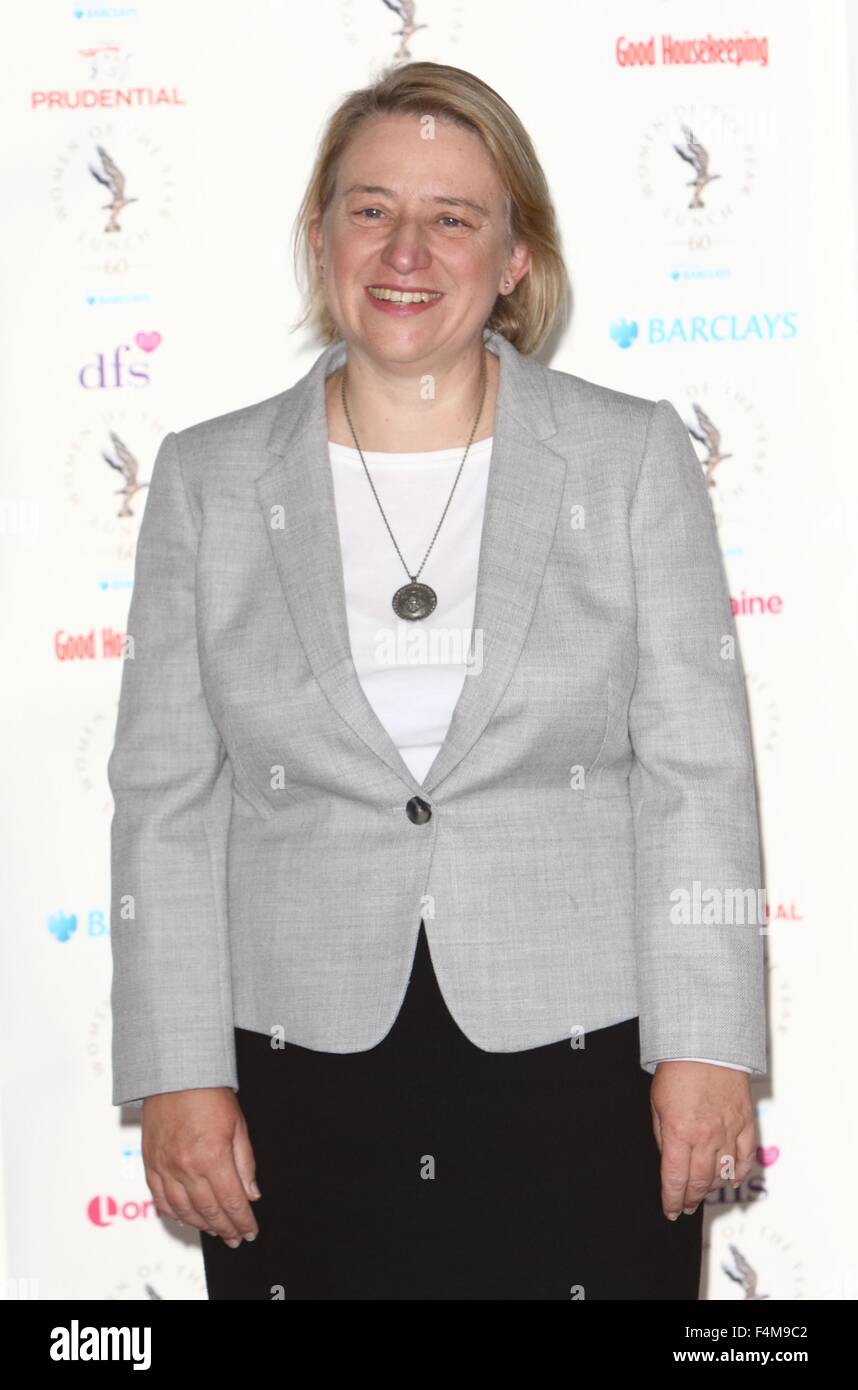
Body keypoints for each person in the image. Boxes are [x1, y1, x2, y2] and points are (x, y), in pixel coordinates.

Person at [107, 61, 767, 1301]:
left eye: (454, 217)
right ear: (319, 237)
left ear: (515, 258)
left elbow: (698, 772)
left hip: (585, 1062)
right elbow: (164, 799)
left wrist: (710, 1043)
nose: (407, 248)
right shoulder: (203, 480)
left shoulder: (628, 459)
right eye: (370, 208)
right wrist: (177, 1071)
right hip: (295, 1072)